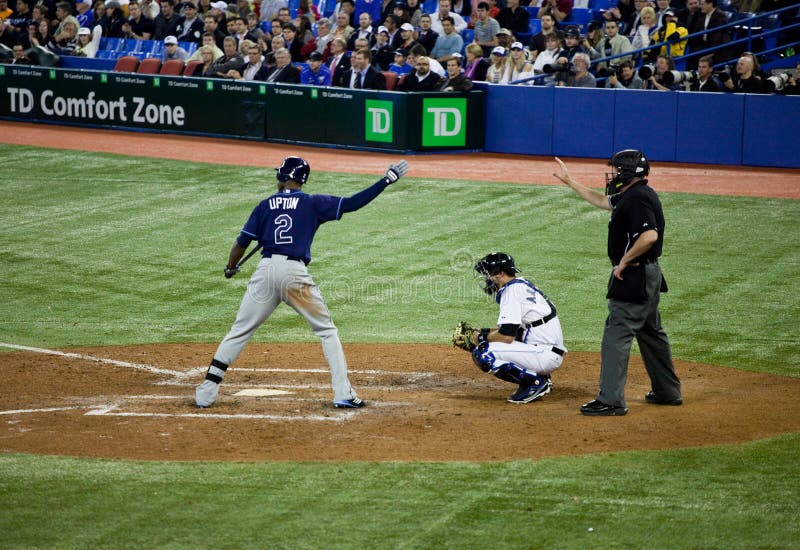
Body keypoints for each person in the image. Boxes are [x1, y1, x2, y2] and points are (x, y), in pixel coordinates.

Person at [195, 156, 410, 409]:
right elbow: (352, 204)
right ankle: (342, 393)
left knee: (239, 331)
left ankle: (206, 393)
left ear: (285, 177)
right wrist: (385, 180)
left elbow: (241, 243)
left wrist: (231, 267)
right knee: (327, 330)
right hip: (294, 273)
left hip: (265, 272)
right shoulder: (313, 203)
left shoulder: (265, 206)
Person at [553, 151, 682, 416]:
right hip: (649, 275)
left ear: (628, 172)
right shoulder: (635, 194)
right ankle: (668, 391)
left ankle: (610, 400)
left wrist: (624, 261)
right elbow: (602, 201)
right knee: (650, 333)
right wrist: (570, 181)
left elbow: (649, 236)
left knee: (616, 335)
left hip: (635, 276)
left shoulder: (637, 199)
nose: (612, 174)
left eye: (616, 169)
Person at [452, 252, 566, 404]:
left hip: (544, 356)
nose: (486, 279)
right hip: (545, 349)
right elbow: (513, 330)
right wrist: (483, 332)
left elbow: (507, 336)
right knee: (495, 341)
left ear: (499, 273)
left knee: (484, 353)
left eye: (487, 274)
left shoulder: (511, 292)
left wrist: (479, 338)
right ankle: (541, 376)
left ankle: (535, 382)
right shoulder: (520, 284)